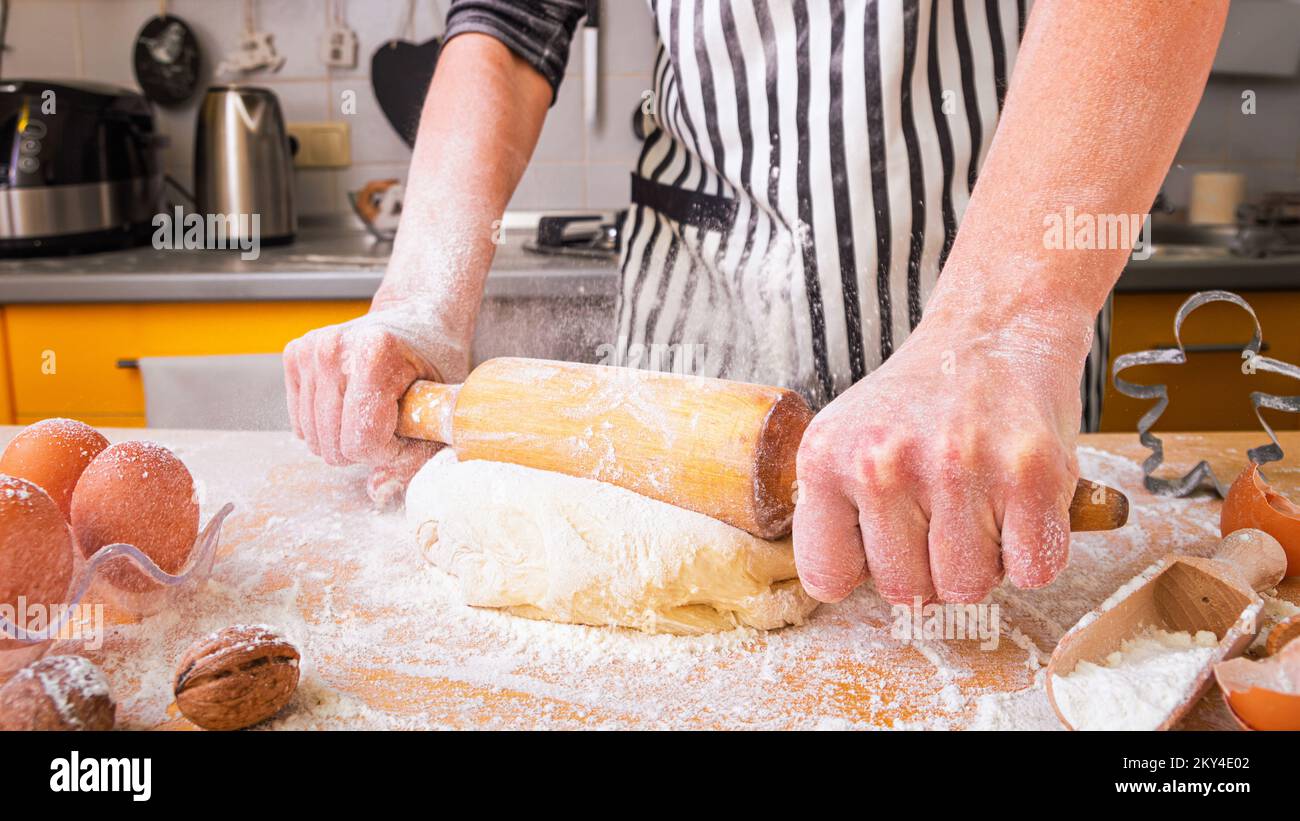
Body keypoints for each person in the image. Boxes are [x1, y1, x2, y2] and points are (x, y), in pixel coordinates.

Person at [283, 1, 1228, 606]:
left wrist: (1005, 330)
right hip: (692, 344)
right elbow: (506, 27)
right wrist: (419, 300)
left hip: (980, 313)